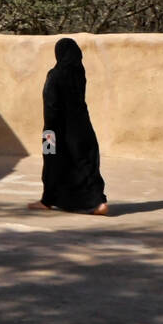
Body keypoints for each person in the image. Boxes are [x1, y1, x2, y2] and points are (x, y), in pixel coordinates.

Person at [28, 38, 109, 215]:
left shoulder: (55, 75)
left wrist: (49, 131)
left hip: (53, 130)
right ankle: (97, 202)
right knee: (86, 163)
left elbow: (51, 105)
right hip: (82, 128)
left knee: (51, 162)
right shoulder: (79, 73)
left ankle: (47, 200)